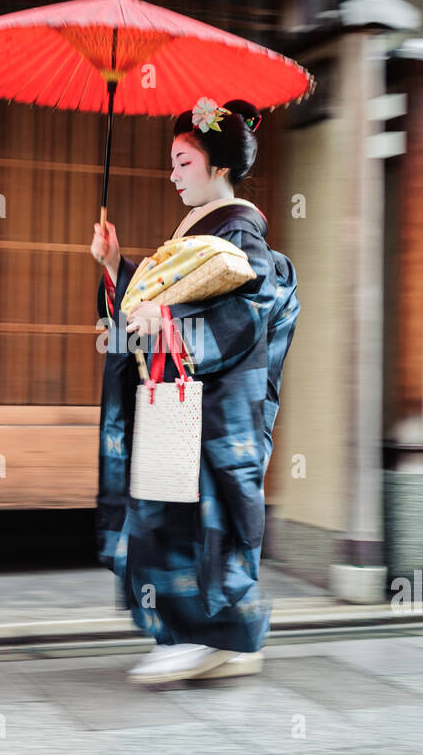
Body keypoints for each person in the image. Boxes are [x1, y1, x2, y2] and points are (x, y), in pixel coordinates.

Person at [90, 96, 300, 685]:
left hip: (207, 406)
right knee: (168, 513)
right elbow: (155, 300)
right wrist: (116, 268)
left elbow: (245, 313)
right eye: (174, 163)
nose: (173, 174)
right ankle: (209, 638)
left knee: (192, 516)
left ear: (219, 169)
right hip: (175, 396)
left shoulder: (240, 233)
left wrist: (168, 322)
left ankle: (204, 636)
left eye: (184, 162)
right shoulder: (202, 231)